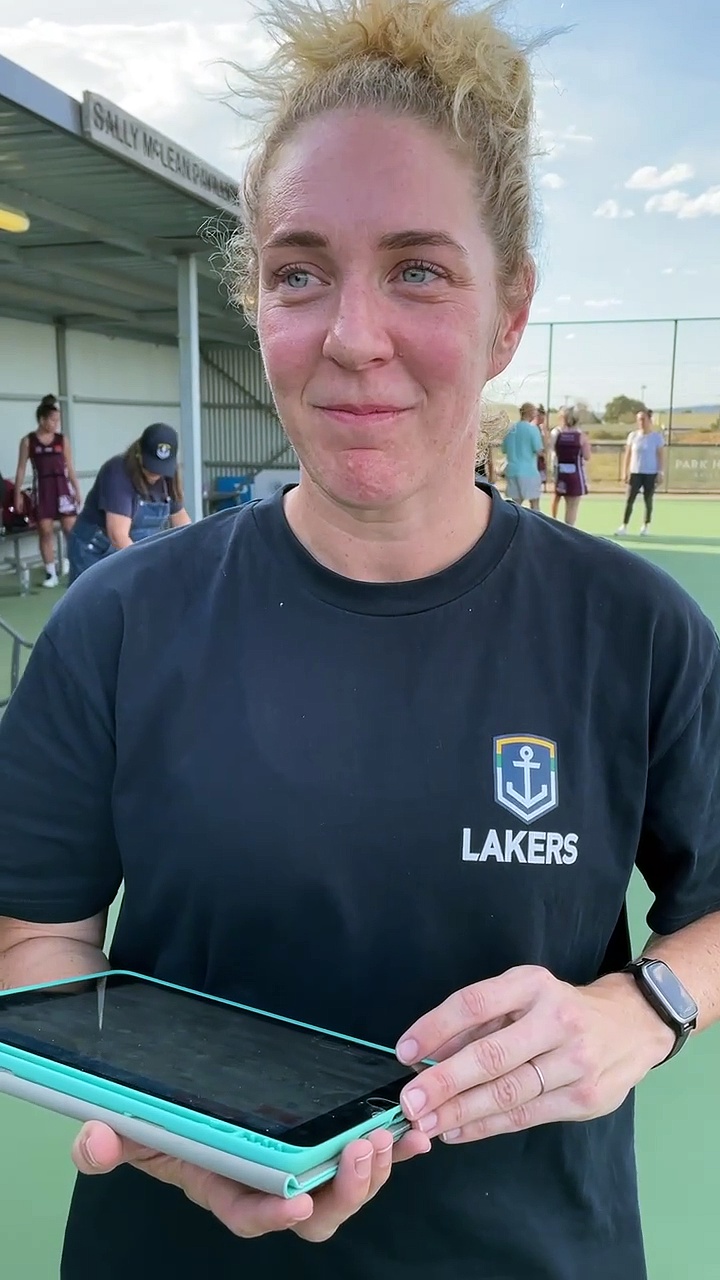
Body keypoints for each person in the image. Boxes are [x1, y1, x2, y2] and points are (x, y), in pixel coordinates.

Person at [0, 3, 719, 1279]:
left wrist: (645, 1006)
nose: (351, 334)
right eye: (299, 270)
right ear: (257, 303)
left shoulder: (638, 630)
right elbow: (35, 938)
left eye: (420, 268)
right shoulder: (114, 622)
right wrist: (162, 1125)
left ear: (509, 314)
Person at [66, 424, 191, 583]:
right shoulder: (118, 472)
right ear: (139, 454)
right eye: (151, 467)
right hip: (95, 549)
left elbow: (182, 522)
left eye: (161, 469)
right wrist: (149, 569)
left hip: (133, 549)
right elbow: (118, 535)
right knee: (91, 603)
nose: (156, 474)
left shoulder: (168, 476)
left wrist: (193, 549)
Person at [13, 394, 81, 587]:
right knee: (45, 531)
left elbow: (70, 466)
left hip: (62, 487)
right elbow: (20, 468)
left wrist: (76, 489)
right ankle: (51, 573)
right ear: (42, 419)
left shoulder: (62, 440)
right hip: (43, 488)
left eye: (57, 420)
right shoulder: (28, 441)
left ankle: (71, 564)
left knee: (71, 529)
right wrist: (17, 493)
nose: (55, 424)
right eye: (52, 420)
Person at [615, 409, 664, 537]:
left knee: (648, 500)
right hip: (635, 472)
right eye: (639, 419)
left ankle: (646, 525)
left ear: (649, 420)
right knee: (630, 499)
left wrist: (660, 472)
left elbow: (660, 456)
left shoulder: (656, 437)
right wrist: (624, 472)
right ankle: (624, 525)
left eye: (643, 419)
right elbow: (628, 454)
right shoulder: (633, 436)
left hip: (650, 473)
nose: (641, 422)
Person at [551, 406, 591, 526]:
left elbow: (552, 451)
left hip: (561, 474)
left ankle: (555, 526)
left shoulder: (556, 433)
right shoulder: (580, 435)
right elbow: (587, 456)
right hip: (576, 474)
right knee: (572, 506)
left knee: (557, 498)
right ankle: (569, 529)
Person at [501, 402, 543, 508]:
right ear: (530, 413)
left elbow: (504, 449)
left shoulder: (510, 429)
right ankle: (535, 525)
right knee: (534, 504)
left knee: (516, 505)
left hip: (512, 471)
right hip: (529, 472)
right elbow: (539, 450)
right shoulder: (533, 429)